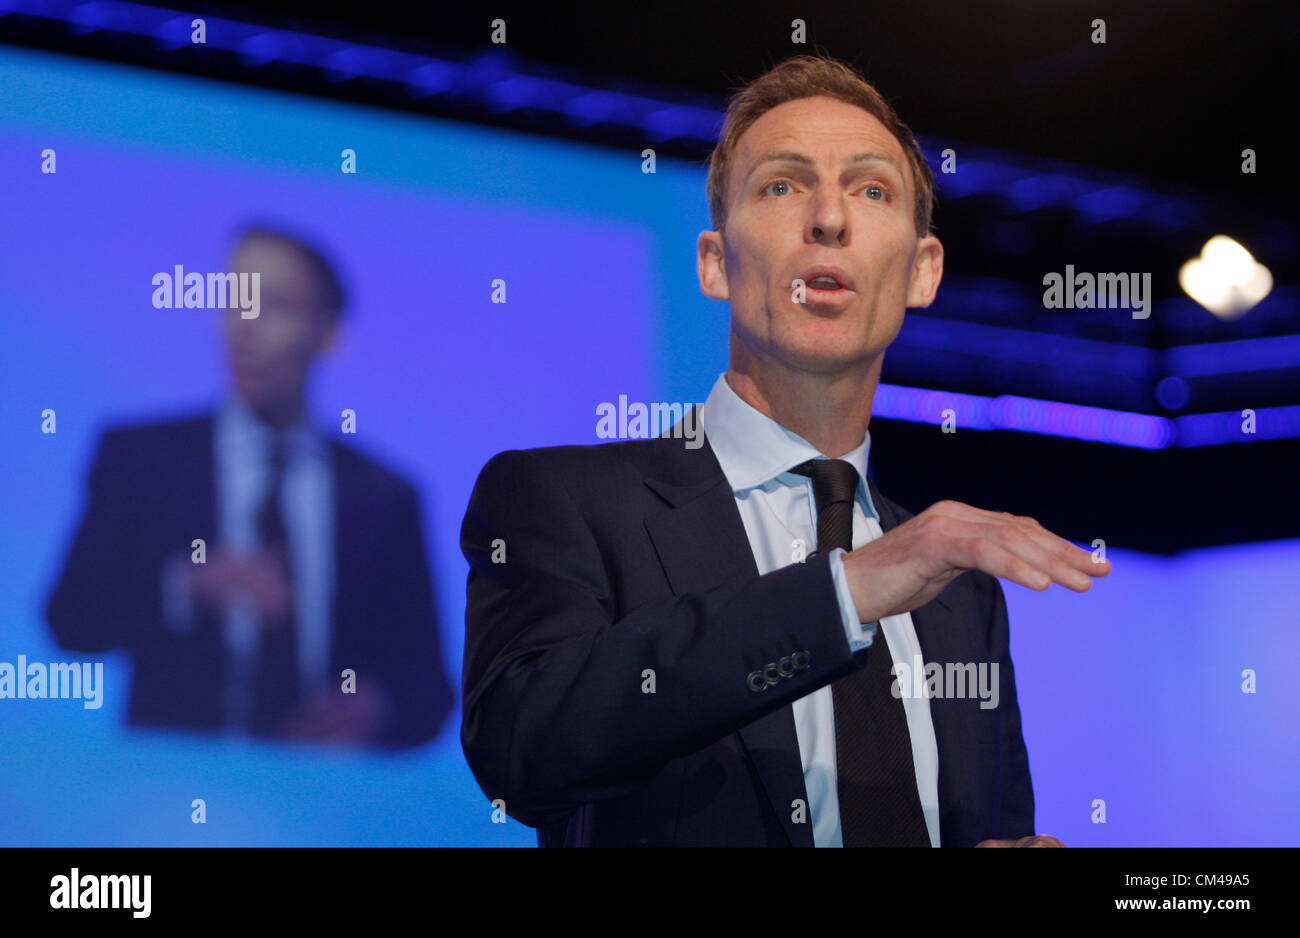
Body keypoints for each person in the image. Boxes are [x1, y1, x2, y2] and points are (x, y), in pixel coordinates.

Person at [459, 55, 1109, 845]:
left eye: (872, 190)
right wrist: (846, 593)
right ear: (713, 263)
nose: (830, 218)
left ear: (922, 271)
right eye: (781, 185)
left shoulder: (961, 593)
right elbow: (522, 751)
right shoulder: (564, 500)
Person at [46, 225, 453, 750]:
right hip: (163, 803)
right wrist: (182, 584)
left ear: (328, 334)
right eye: (233, 299)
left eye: (275, 305)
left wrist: (378, 710)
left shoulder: (385, 496)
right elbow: (70, 619)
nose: (244, 327)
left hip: (323, 813)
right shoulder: (141, 459)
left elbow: (428, 688)